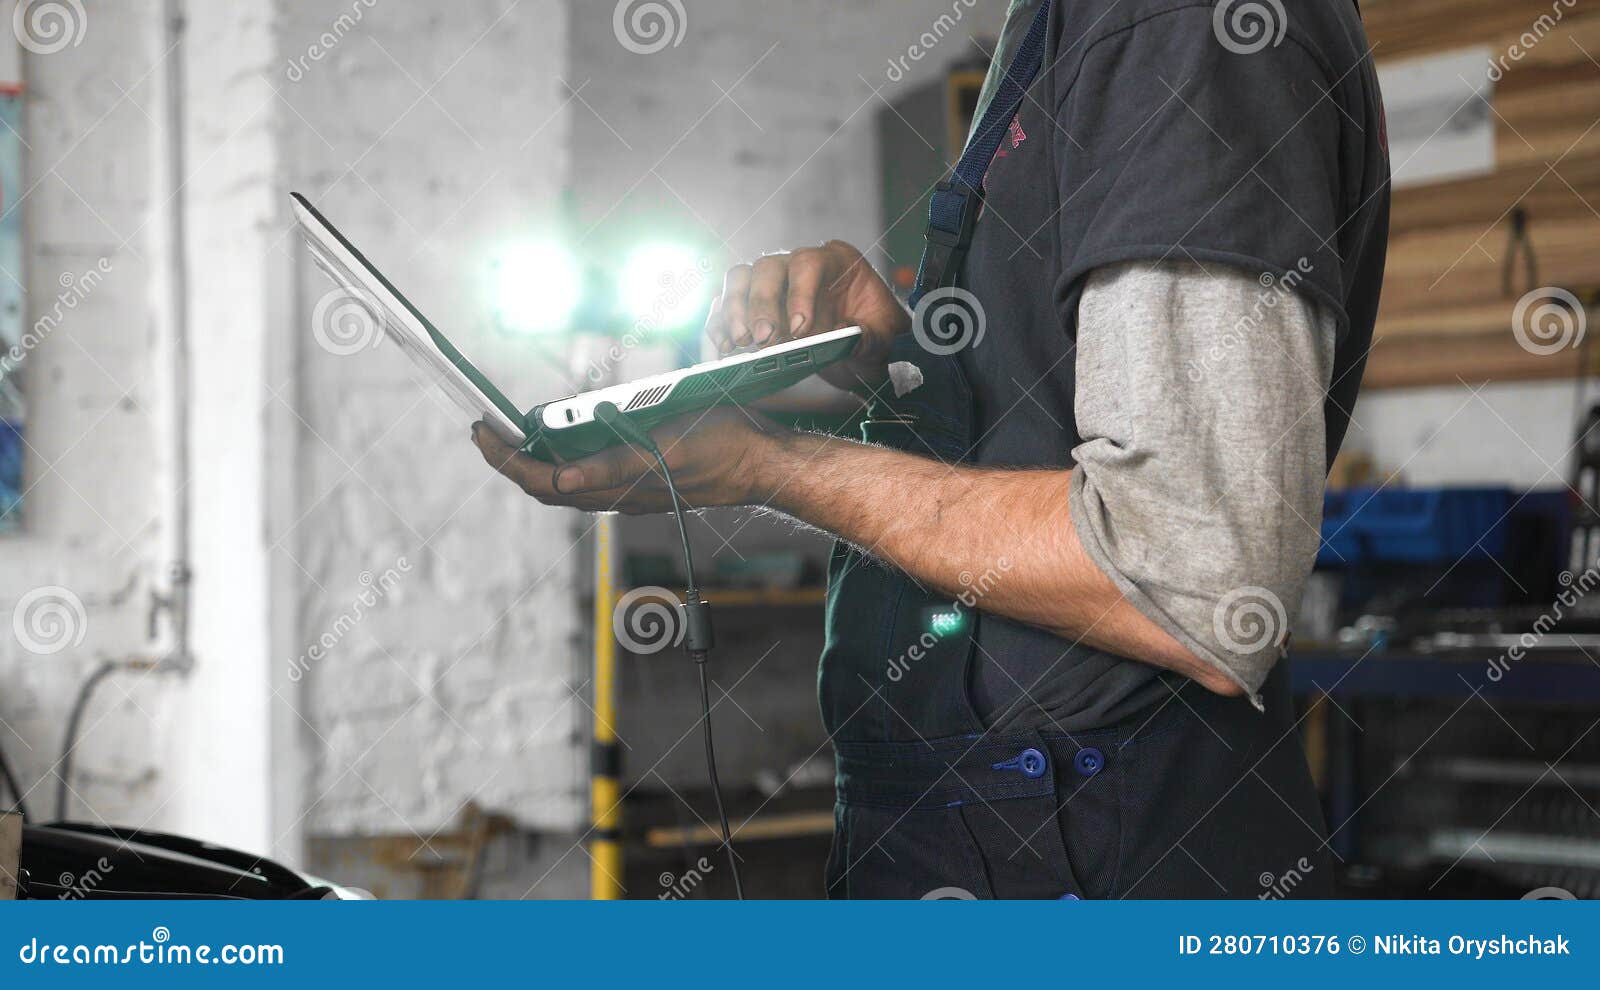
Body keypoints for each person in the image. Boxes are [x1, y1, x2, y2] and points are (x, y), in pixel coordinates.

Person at [473, 0, 1389, 898]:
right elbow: (1059, 426)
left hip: (1095, 842)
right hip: (995, 819)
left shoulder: (1178, 27)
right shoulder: (1064, 26)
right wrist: (904, 359)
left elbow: (1191, 572)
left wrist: (769, 464)